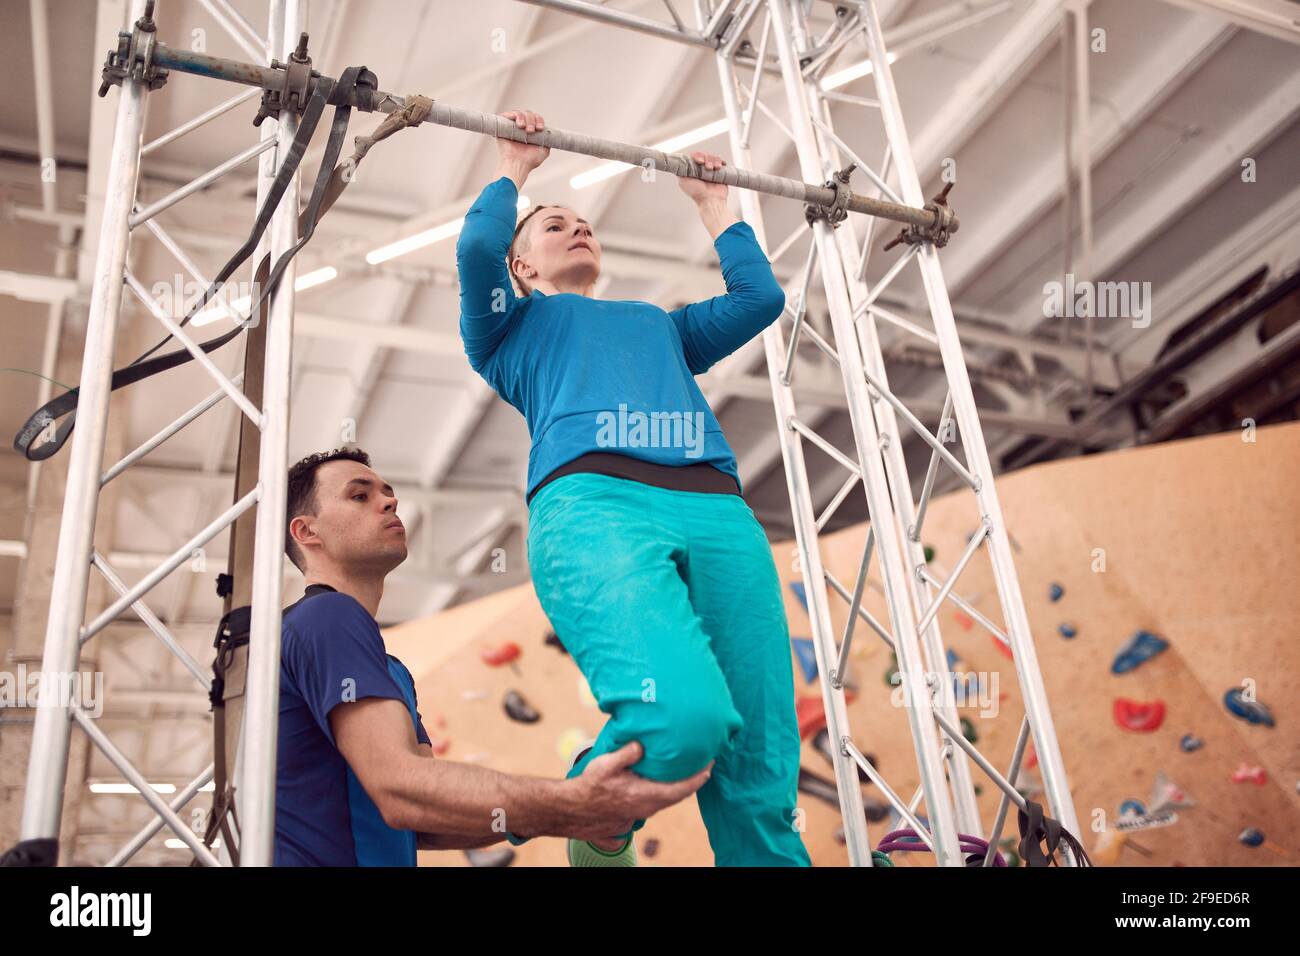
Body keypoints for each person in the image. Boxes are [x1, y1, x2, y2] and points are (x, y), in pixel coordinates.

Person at [454, 108, 811, 866]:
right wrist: (516, 169)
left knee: (761, 767)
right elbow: (479, 242)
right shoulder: (506, 334)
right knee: (682, 717)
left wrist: (712, 206)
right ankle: (582, 810)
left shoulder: (659, 325)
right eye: (554, 225)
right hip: (595, 508)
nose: (578, 228)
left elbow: (759, 300)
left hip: (720, 514)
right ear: (522, 268)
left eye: (585, 222)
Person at [274, 446, 708, 866]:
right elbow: (400, 787)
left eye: (387, 492)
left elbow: (427, 822)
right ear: (306, 532)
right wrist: (575, 803)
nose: (389, 501)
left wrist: (568, 800)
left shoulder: (390, 669)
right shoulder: (327, 616)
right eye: (360, 495)